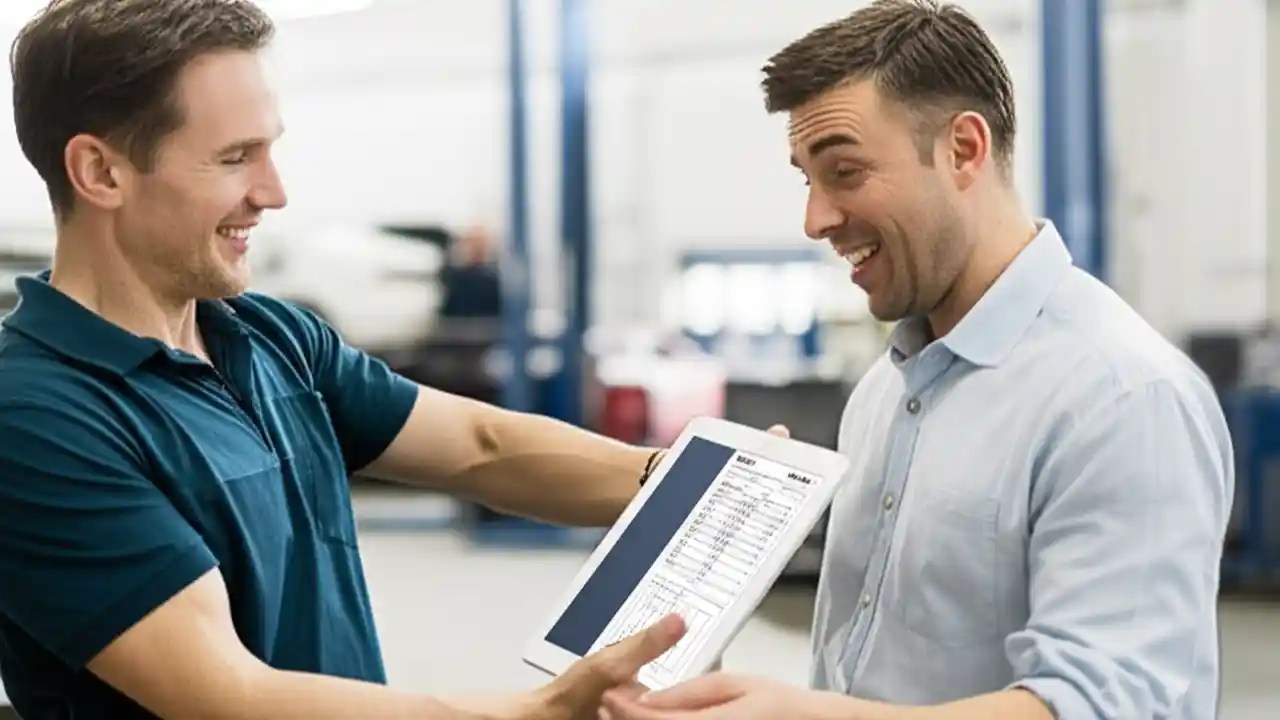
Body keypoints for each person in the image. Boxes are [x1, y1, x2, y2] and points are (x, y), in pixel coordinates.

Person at [0, 1, 706, 718]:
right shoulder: (34, 417)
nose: (274, 193)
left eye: (270, 151)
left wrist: (703, 485)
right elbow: (226, 696)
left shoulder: (272, 338)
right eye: (235, 158)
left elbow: (480, 447)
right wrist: (540, 711)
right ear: (101, 172)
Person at [604, 1, 1234, 719]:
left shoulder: (1122, 398)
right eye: (807, 180)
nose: (815, 220)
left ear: (963, 149)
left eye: (845, 171)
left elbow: (1104, 706)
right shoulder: (884, 392)